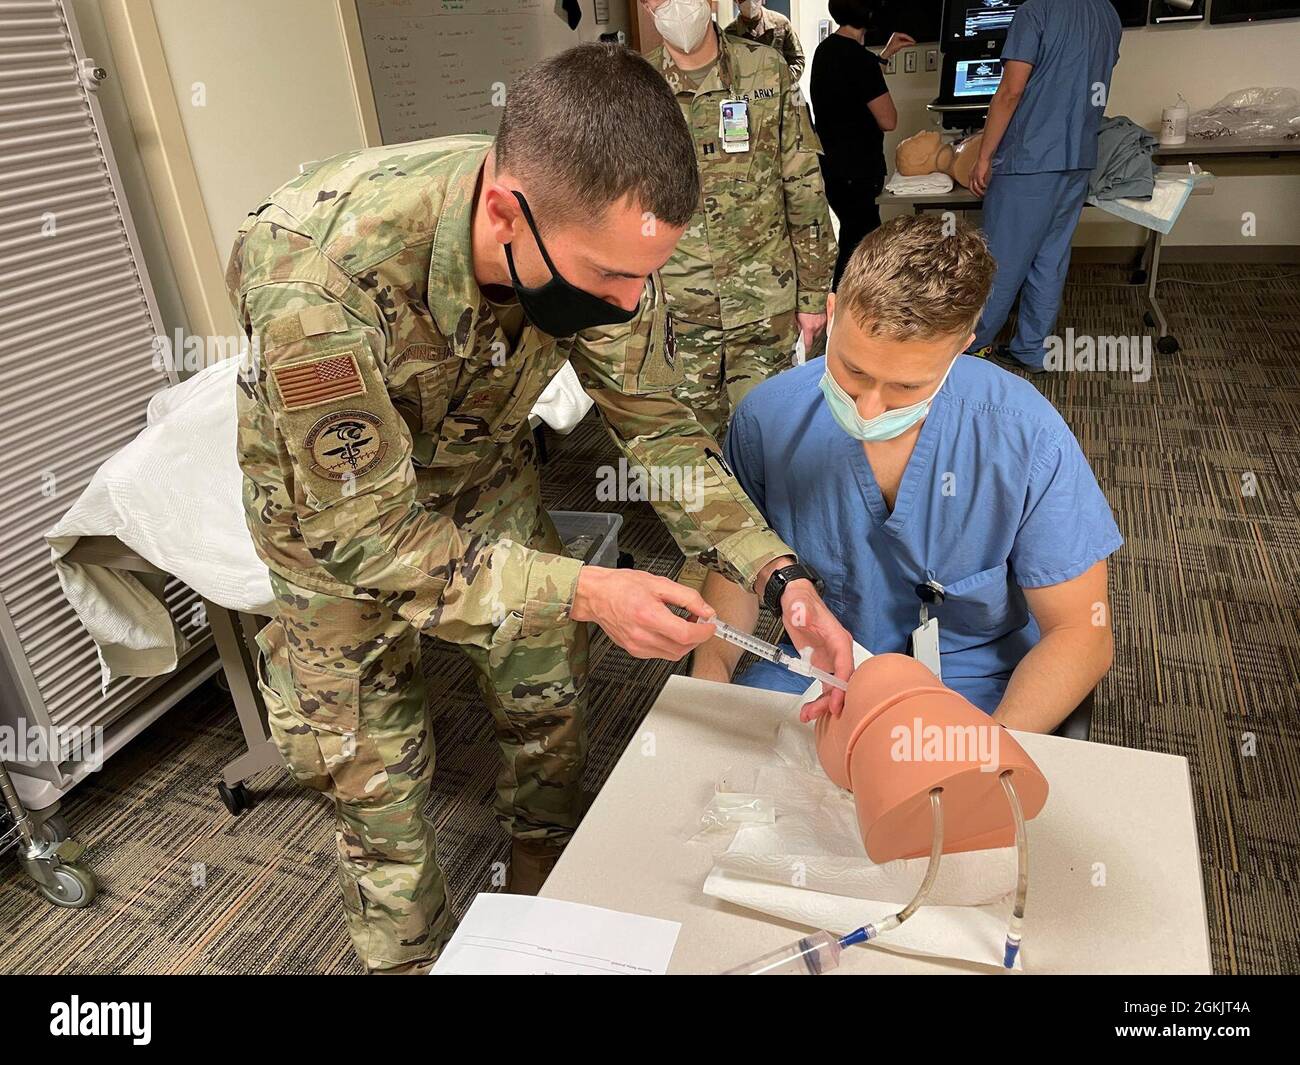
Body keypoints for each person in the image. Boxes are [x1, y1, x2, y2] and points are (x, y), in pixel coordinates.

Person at [228, 44, 852, 974]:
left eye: (645, 279)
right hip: (339, 545)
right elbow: (369, 540)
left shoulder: (603, 241)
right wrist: (591, 591)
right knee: (378, 793)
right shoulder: (317, 283)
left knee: (546, 696)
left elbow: (661, 433)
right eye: (611, 280)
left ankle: (538, 896)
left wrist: (776, 570)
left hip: (482, 479)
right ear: (502, 214)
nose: (632, 302)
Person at [691, 214, 1122, 733]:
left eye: (905, 387)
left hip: (977, 679)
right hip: (824, 666)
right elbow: (739, 567)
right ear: (832, 312)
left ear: (961, 346)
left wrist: (987, 753)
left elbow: (1081, 631)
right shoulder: (768, 419)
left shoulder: (1026, 437)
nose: (869, 411)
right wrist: (709, 680)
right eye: (853, 371)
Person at [639, 0, 836, 442]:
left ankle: (771, 515)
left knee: (772, 438)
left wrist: (812, 294)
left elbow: (802, 185)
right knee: (693, 446)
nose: (671, 5)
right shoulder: (635, 87)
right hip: (678, 311)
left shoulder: (766, 70)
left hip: (764, 301)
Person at [968, 0, 1122, 373]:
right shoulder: (1108, 13)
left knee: (999, 262)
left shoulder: (1036, 11)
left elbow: (1011, 90)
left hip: (1030, 157)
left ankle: (973, 349)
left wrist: (984, 155)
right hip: (1077, 156)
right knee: (1050, 258)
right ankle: (1031, 349)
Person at [810, 0, 913, 291]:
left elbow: (848, 90)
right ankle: (845, 312)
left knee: (855, 239)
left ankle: (843, 310)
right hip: (859, 171)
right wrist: (875, 63)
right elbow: (888, 119)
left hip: (831, 168)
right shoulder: (861, 61)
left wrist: (881, 58)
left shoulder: (824, 51)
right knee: (861, 247)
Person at [724, 0, 806, 80]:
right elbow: (724, 70)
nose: (750, 2)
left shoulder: (781, 24)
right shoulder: (729, 34)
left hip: (778, 91)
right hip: (747, 92)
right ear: (736, 1)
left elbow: (798, 59)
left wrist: (783, 81)